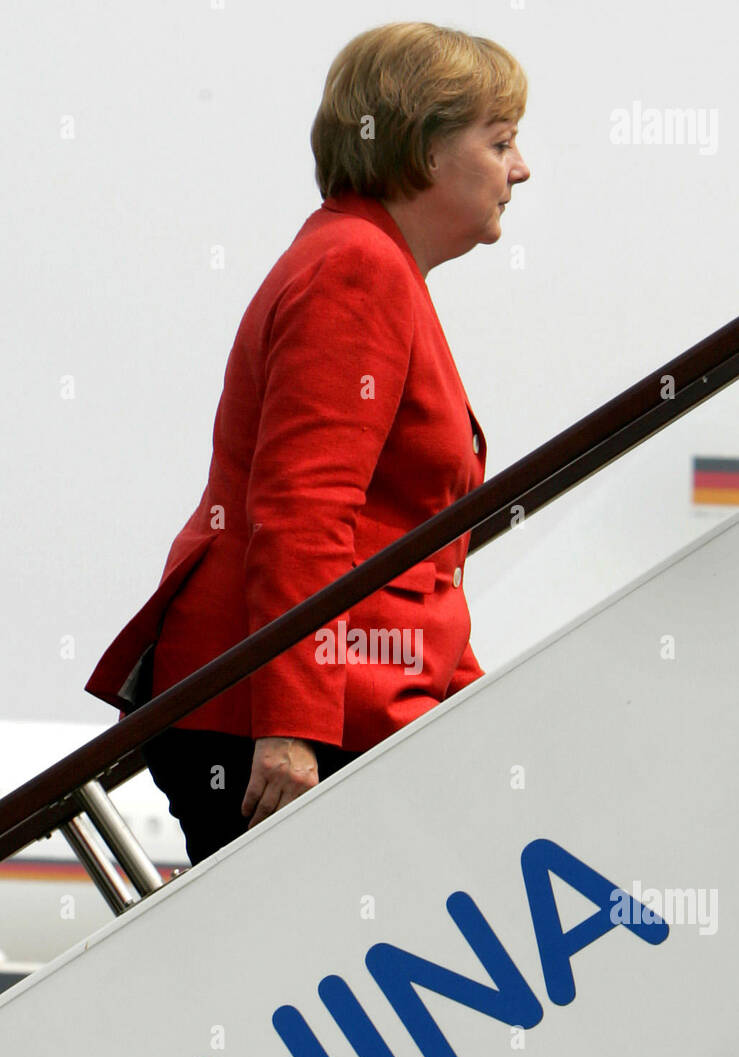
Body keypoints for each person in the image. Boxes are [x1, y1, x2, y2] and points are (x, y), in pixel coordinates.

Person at [84, 21, 531, 866]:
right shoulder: (355, 268)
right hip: (282, 722)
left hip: (327, 704)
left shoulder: (372, 263)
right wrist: (291, 727)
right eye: (500, 141)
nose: (520, 168)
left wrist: (462, 697)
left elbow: (408, 552)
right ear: (423, 148)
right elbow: (304, 512)